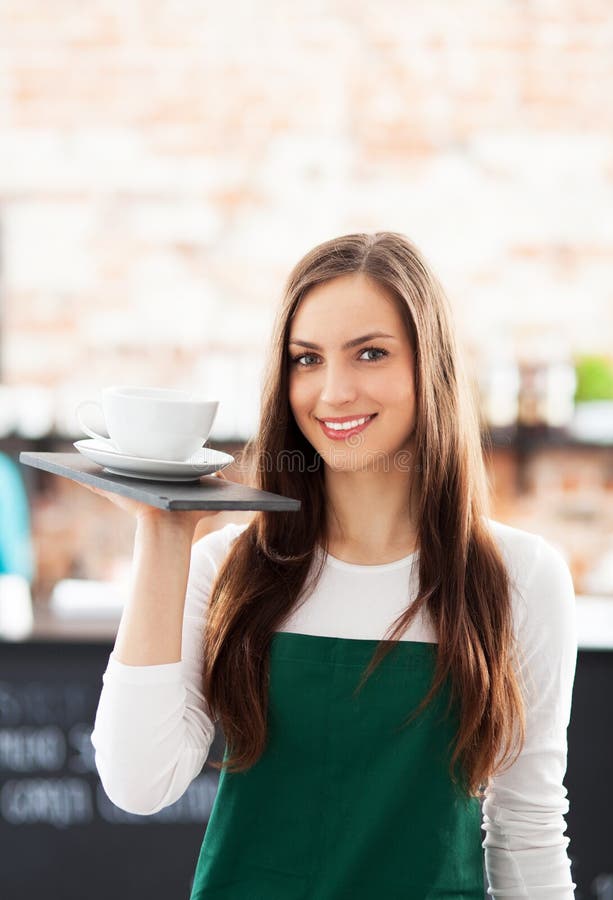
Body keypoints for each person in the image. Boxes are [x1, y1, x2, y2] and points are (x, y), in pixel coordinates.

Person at [88, 232, 577, 898]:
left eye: (369, 353)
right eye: (306, 359)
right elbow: (138, 784)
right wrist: (160, 532)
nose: (333, 391)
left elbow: (527, 833)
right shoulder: (225, 567)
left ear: (429, 367)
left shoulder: (518, 576)